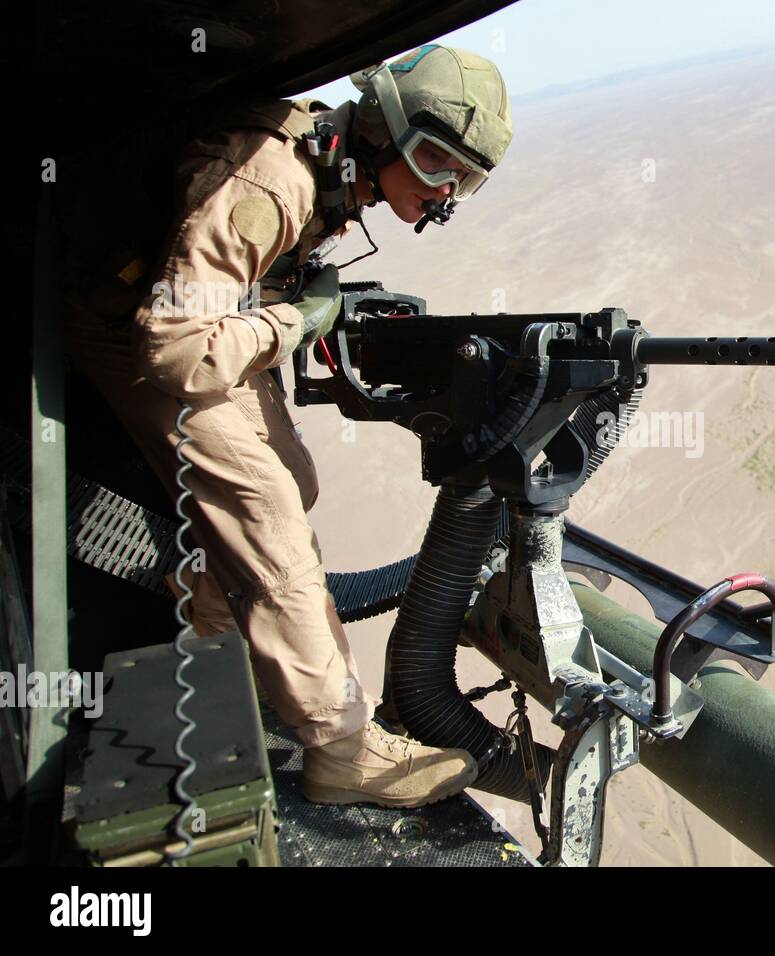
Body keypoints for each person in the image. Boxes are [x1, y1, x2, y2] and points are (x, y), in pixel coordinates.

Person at [58, 43, 513, 807]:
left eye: (464, 178)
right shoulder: (271, 183)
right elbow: (173, 349)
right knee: (264, 506)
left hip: (187, 328)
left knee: (294, 480)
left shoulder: (333, 176)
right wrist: (288, 323)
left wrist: (293, 308)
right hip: (123, 325)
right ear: (384, 129)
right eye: (436, 160)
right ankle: (340, 747)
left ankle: (215, 639)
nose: (444, 190)